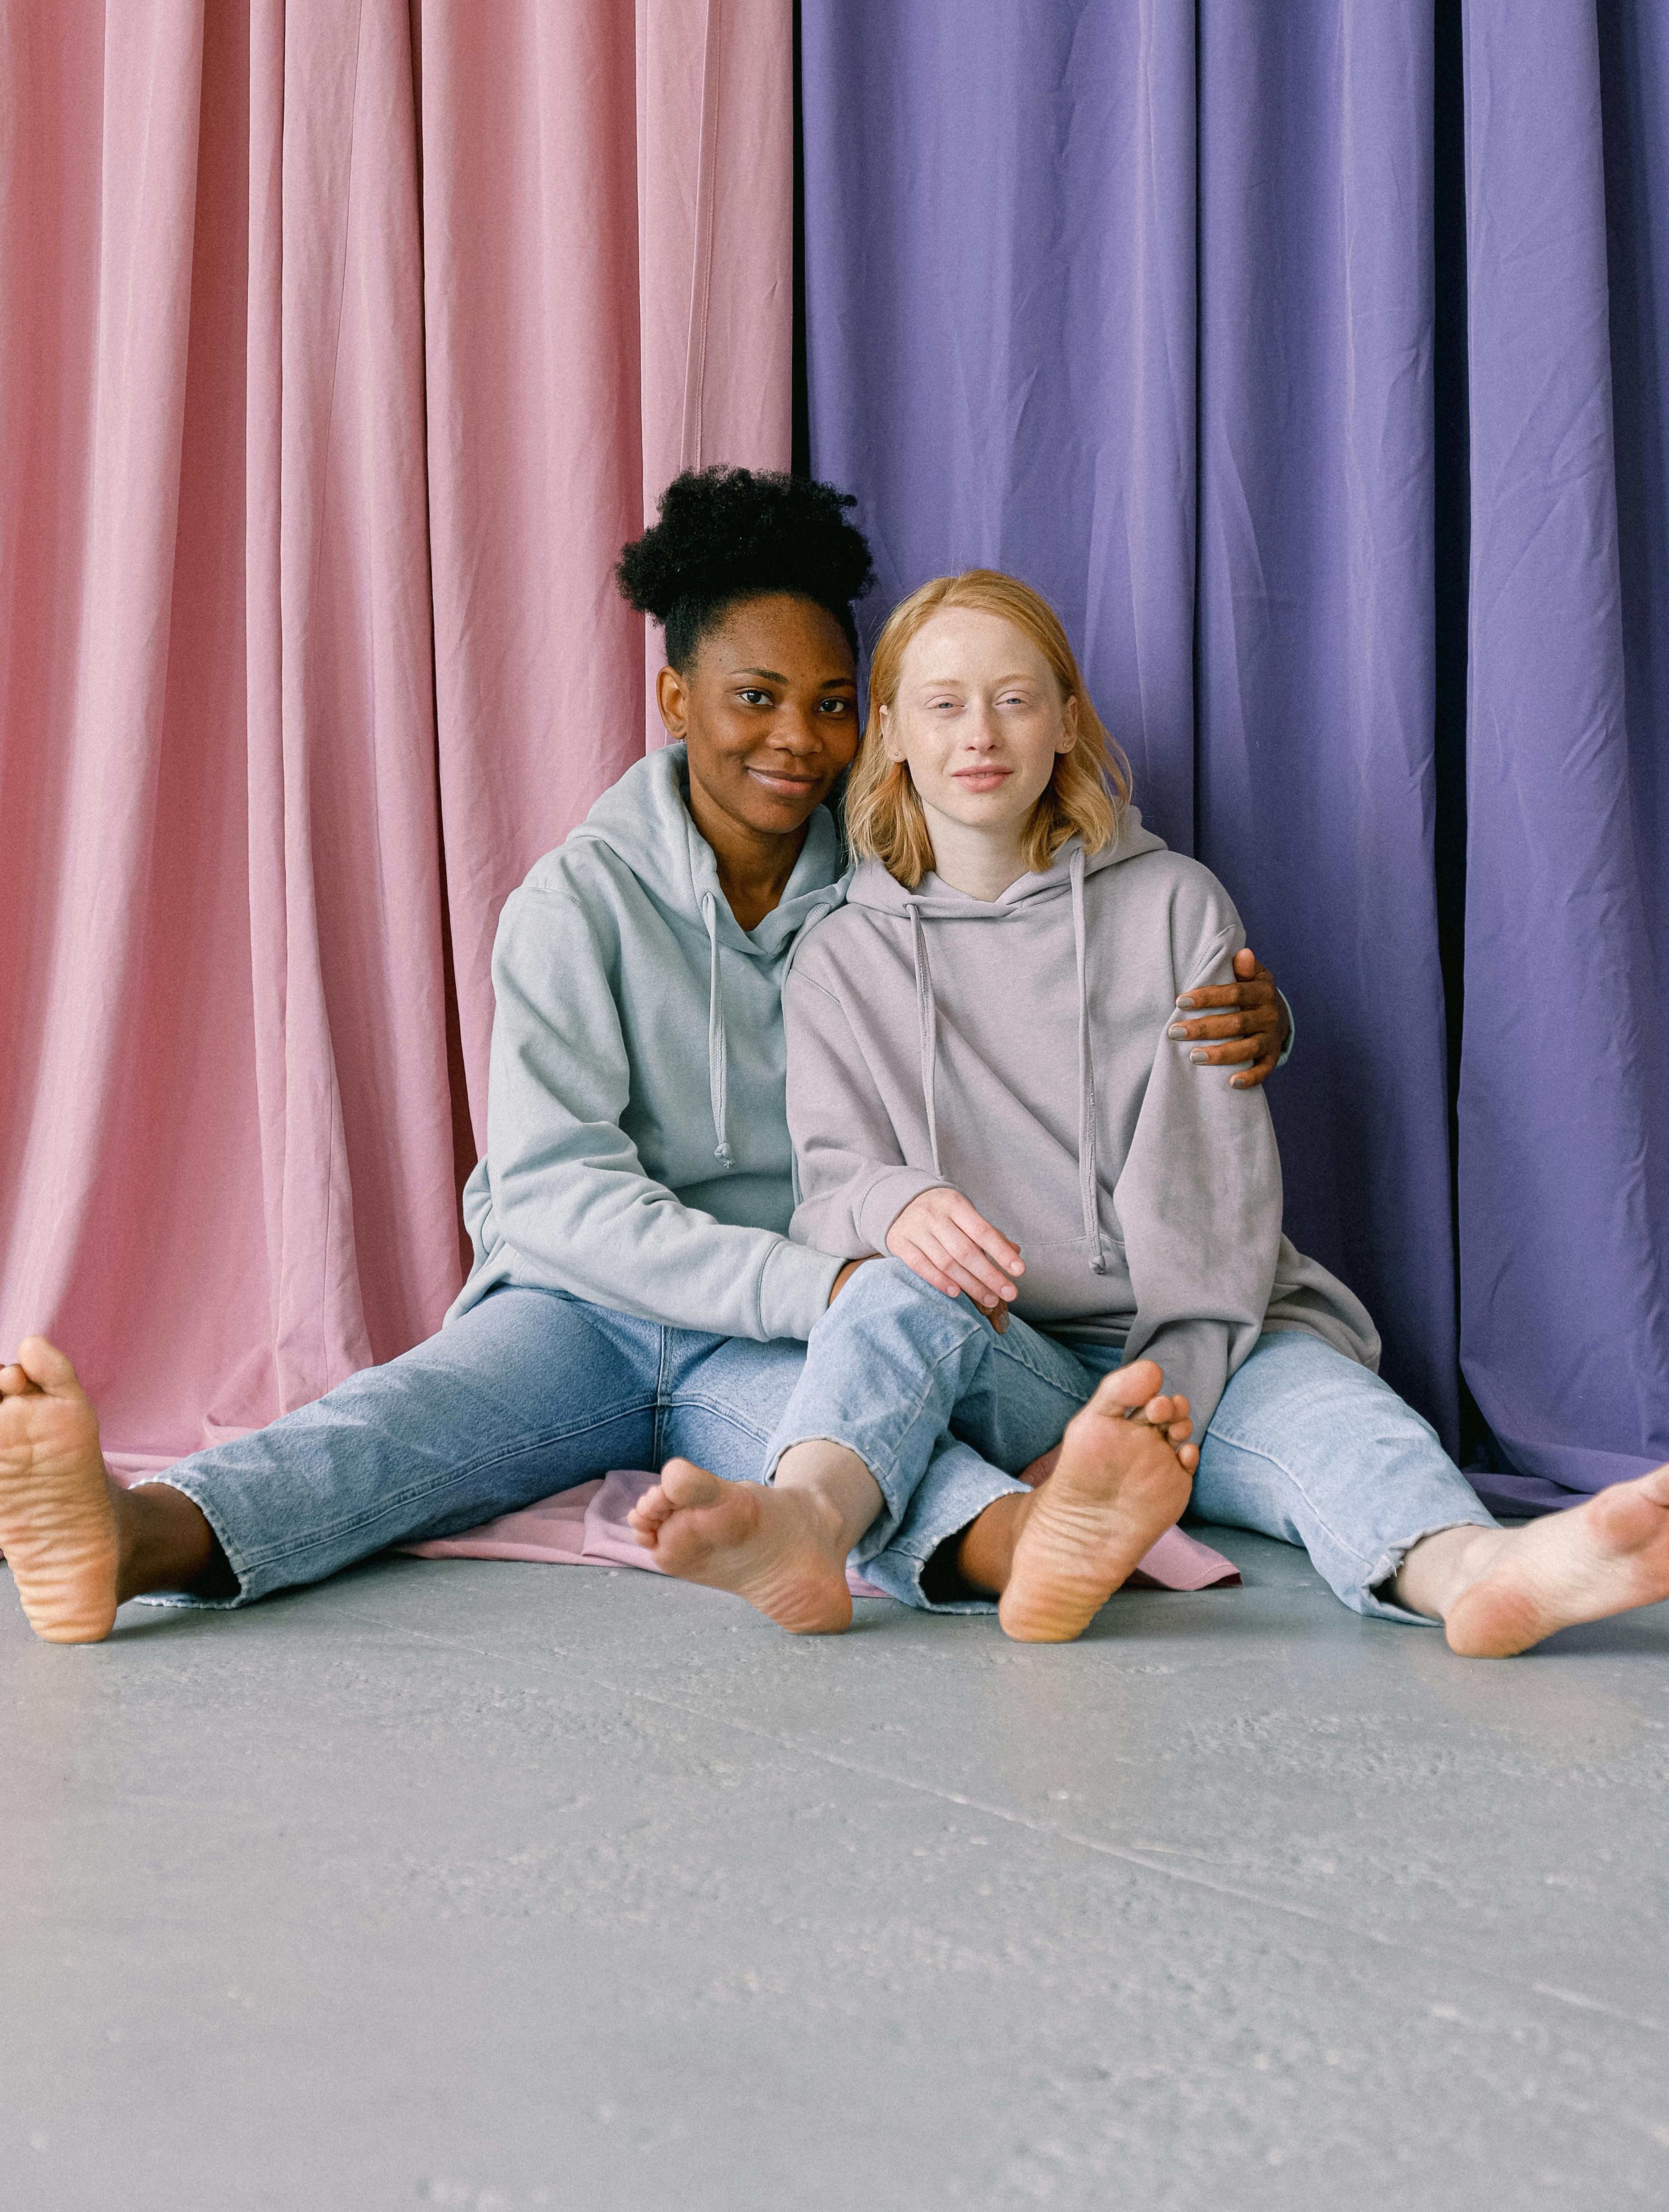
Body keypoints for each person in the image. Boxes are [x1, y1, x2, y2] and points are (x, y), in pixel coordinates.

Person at [0, 479, 1287, 1647]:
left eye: (832, 703)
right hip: (588, 1308)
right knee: (388, 1429)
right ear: (677, 700)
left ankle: (1038, 1552)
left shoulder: (890, 866)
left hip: (786, 1331)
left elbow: (1065, 896)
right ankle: (128, 1536)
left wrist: (1242, 1007)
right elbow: (558, 1198)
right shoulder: (571, 907)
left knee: (846, 1452)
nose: (798, 737)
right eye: (755, 697)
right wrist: (822, 1279)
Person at [628, 570, 1669, 1653]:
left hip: (1209, 1341)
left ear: (1068, 719)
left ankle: (1481, 1569)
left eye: (1016, 699)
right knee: (888, 1305)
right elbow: (830, 1187)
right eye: (943, 704)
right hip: (1001, 1350)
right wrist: (894, 1206)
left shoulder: (1178, 908)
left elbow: (1214, 1213)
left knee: (1344, 1423)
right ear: (887, 731)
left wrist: (1147, 1416)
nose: (980, 733)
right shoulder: (840, 957)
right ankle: (808, 1519)